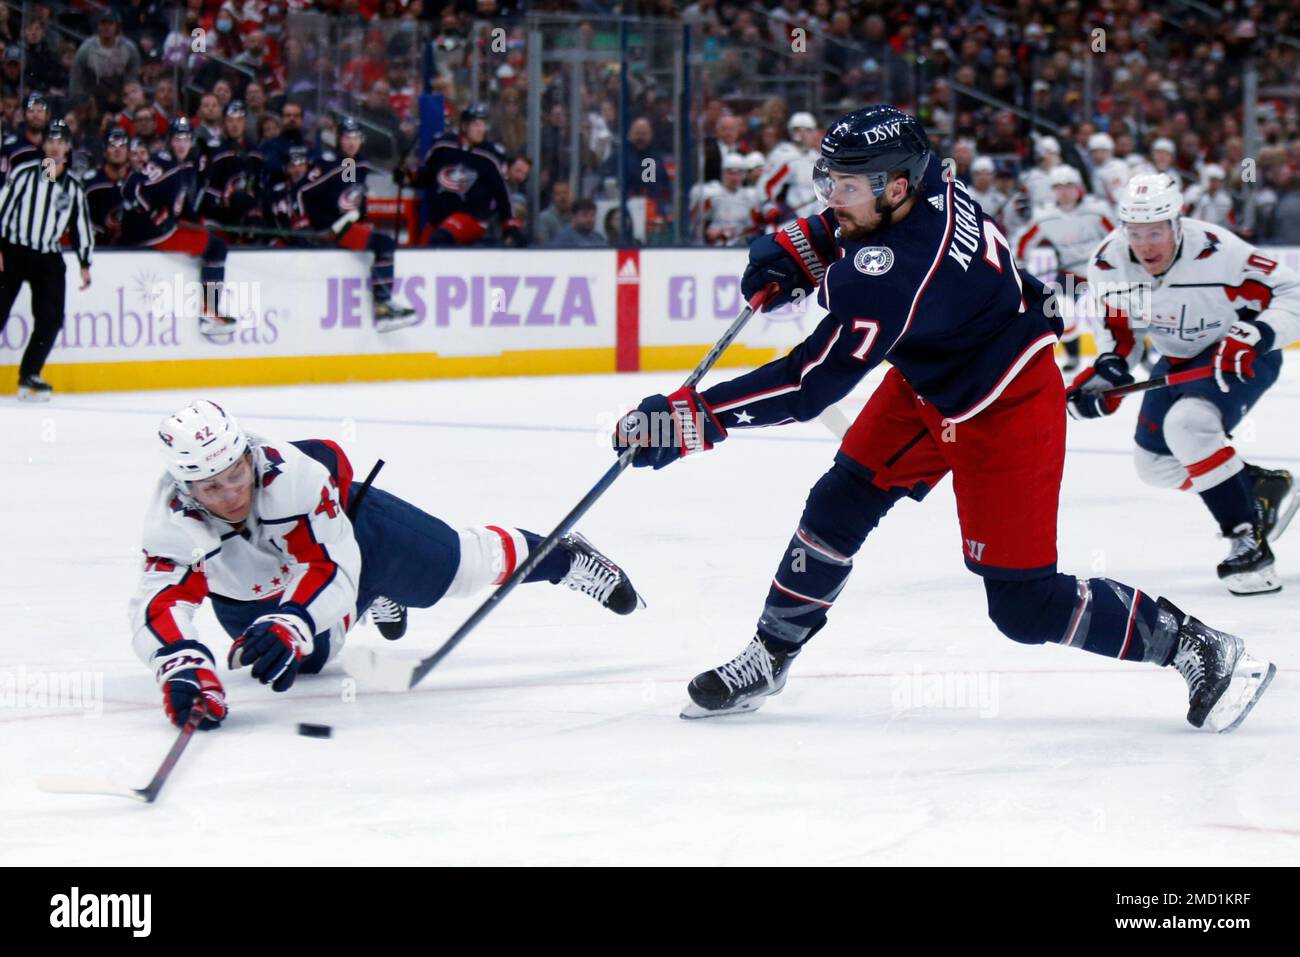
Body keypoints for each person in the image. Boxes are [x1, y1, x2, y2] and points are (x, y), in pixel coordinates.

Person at [612, 106, 1275, 733]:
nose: (831, 198)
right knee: (837, 502)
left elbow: (810, 383)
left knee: (1024, 604)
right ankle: (771, 652)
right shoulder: (935, 185)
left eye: (846, 185)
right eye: (830, 181)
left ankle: (1197, 646)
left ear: (896, 185)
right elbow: (865, 232)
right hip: (932, 379)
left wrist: (691, 418)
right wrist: (804, 246)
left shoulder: (889, 275)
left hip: (1007, 405)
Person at [131, 401, 642, 729]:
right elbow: (160, 603)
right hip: (251, 592)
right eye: (211, 487)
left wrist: (292, 621)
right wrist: (183, 663)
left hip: (355, 540)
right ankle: (371, 598)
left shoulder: (297, 478)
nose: (231, 494)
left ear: (247, 454)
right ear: (186, 487)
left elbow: (332, 565)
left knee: (455, 568)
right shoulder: (171, 521)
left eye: (236, 473)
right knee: (303, 662)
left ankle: (562, 556)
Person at [1071, 173, 1300, 594]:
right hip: (1179, 360)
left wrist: (1258, 334)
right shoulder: (1108, 263)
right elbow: (1121, 336)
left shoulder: (1221, 251)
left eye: (1156, 231)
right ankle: (1257, 486)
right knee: (1155, 466)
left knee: (1188, 425)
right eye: (1135, 232)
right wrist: (1108, 373)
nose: (1145, 244)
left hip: (1241, 352)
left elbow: (1293, 291)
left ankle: (1248, 543)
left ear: (1178, 224)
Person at [266, 124, 416, 332]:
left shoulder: (355, 164)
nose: (351, 142)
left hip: (344, 226)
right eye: (346, 137)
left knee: (383, 242)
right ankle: (382, 305)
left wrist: (359, 215)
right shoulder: (327, 164)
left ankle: (383, 305)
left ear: (361, 140)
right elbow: (299, 193)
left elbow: (348, 194)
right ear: (339, 140)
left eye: (355, 137)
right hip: (331, 229)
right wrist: (304, 227)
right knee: (385, 244)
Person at [0, 120, 93, 401]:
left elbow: (81, 226)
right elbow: (3, 209)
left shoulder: (74, 187)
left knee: (51, 318)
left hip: (48, 256)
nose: (54, 146)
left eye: (60, 141)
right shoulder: (25, 174)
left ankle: (30, 374)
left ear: (68, 147)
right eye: (50, 141)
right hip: (14, 251)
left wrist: (85, 264)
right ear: (43, 145)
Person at [120, 116, 235, 336]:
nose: (181, 144)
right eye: (177, 139)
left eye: (186, 139)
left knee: (211, 241)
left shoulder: (185, 166)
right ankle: (209, 311)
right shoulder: (162, 162)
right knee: (217, 249)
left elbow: (180, 205)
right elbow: (129, 188)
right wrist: (154, 213)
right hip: (151, 232)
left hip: (161, 230)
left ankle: (209, 309)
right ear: (169, 141)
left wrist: (197, 223)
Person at [1013, 165, 1114, 373]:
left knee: (1114, 313)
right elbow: (1024, 242)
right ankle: (1074, 355)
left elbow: (1117, 236)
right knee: (1060, 309)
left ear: (1078, 188)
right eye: (1059, 187)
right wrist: (1020, 265)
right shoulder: (1045, 216)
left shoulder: (1097, 210)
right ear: (1053, 190)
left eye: (1069, 186)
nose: (1065, 191)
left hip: (1101, 271)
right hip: (1070, 274)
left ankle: (1118, 355)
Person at [406, 104, 521, 247]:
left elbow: (502, 194)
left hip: (471, 219)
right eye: (476, 124)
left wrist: (510, 224)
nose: (481, 129)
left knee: (439, 239)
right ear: (464, 126)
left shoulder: (491, 156)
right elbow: (425, 177)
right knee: (420, 256)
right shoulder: (443, 145)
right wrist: (408, 176)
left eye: (484, 124)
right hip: (439, 220)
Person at [196, 100, 263, 230]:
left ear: (245, 122)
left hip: (248, 216)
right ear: (224, 123)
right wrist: (225, 199)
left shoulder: (255, 153)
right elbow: (206, 188)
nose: (235, 125)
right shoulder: (216, 153)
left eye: (239, 120)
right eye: (230, 120)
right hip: (220, 215)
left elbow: (258, 186)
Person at [83, 126, 130, 245]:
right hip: (98, 250)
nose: (117, 150)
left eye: (122, 146)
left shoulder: (137, 182)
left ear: (128, 151)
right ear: (105, 151)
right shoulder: (90, 184)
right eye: (113, 145)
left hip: (133, 250)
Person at [0, 91, 49, 183]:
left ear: (47, 115)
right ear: (24, 115)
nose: (36, 115)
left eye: (40, 111)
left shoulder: (53, 147)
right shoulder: (11, 146)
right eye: (31, 111)